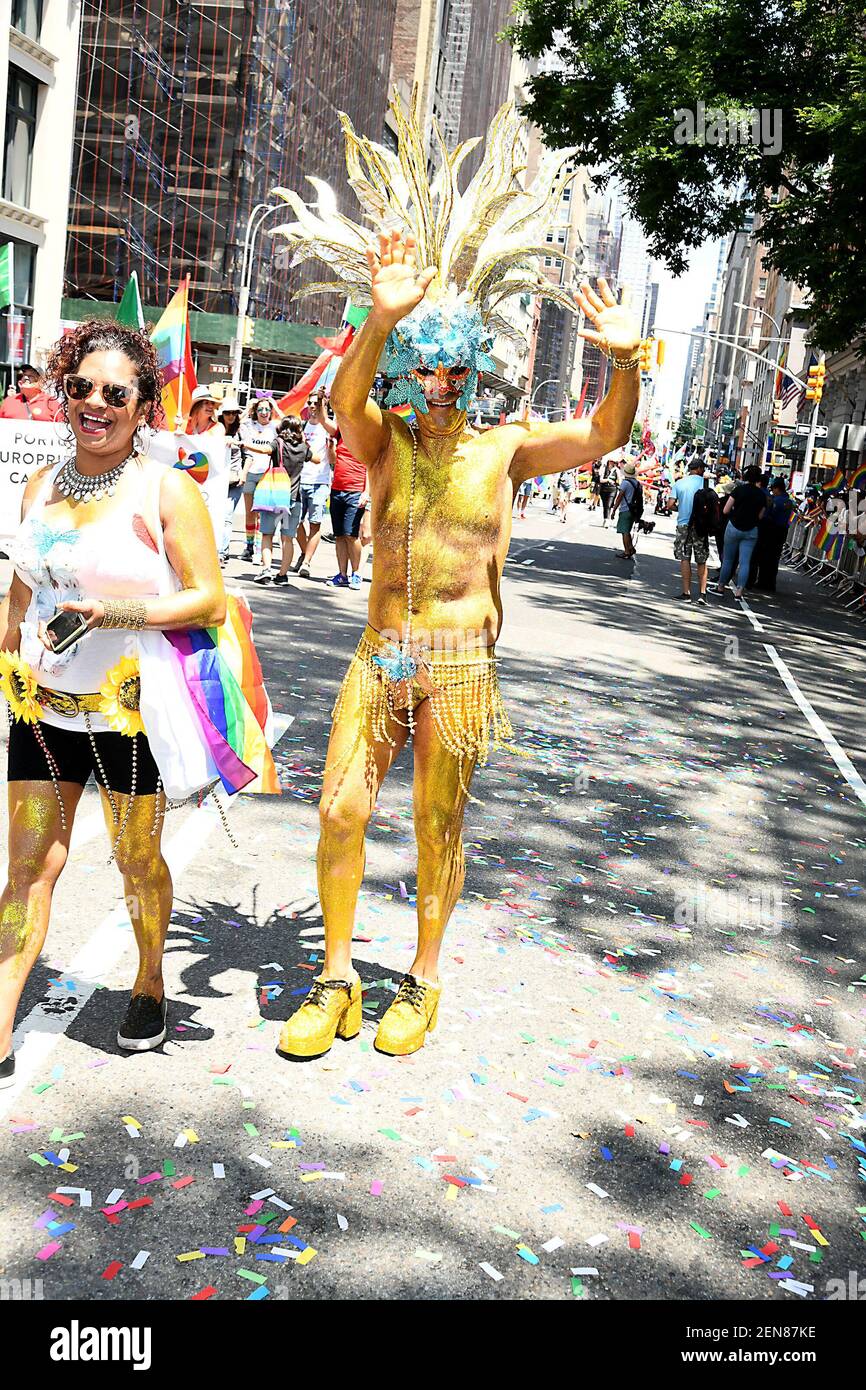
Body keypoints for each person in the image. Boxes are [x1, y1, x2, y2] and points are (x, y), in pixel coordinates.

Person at [271, 95, 640, 1059]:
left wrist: (627, 363)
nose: (434, 388)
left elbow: (604, 434)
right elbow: (342, 398)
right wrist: (379, 320)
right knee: (339, 808)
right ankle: (336, 977)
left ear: (474, 375)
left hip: (461, 664)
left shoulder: (506, 448)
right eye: (419, 372)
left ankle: (423, 981)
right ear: (404, 375)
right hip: (382, 651)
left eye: (451, 374)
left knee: (439, 824)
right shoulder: (382, 441)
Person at [0, 319, 229, 1077]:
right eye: (79, 388)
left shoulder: (165, 489)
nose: (93, 404)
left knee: (136, 860)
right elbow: (21, 592)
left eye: (114, 393)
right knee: (28, 869)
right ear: (63, 392)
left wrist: (115, 614)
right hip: (45, 711)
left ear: (143, 406)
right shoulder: (42, 484)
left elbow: (210, 601)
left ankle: (150, 979)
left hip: (130, 715)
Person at [252, 416, 310, 585]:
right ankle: (282, 575)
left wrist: (243, 444)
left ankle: (266, 569)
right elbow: (317, 459)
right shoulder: (304, 447)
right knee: (287, 538)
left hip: (275, 498)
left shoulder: (278, 443)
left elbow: (264, 451)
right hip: (293, 499)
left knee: (267, 535)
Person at [239, 397, 283, 562]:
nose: (264, 413)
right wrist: (247, 408)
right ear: (255, 412)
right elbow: (237, 423)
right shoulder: (249, 425)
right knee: (249, 512)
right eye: (260, 410)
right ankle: (249, 546)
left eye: (267, 409)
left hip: (267, 474)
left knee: (260, 514)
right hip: (250, 472)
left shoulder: (274, 427)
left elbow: (288, 424)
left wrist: (277, 407)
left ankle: (258, 550)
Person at [297, 393, 335, 577]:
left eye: (317, 403)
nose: (313, 406)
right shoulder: (301, 426)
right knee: (295, 522)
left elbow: (333, 459)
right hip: (299, 479)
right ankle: (304, 551)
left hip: (319, 482)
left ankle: (306, 562)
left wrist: (330, 449)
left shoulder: (328, 427)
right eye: (310, 402)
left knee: (315, 523)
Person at [716, 464, 767, 598]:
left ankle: (721, 586)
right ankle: (739, 590)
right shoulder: (761, 495)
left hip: (733, 527)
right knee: (745, 561)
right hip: (751, 530)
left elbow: (725, 510)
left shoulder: (738, 490)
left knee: (728, 560)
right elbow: (760, 516)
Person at [329, 427, 368, 590]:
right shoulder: (341, 435)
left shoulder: (365, 439)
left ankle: (356, 573)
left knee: (352, 536)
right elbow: (332, 461)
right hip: (337, 489)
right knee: (339, 536)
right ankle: (342, 574)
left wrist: (366, 492)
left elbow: (370, 469)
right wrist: (331, 447)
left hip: (355, 491)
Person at [672, 454, 712, 604]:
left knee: (685, 557)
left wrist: (681, 508)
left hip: (683, 524)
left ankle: (686, 593)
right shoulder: (707, 484)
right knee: (702, 560)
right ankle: (702, 594)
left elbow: (670, 505)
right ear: (700, 469)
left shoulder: (679, 483)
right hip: (700, 525)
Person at [218, 394, 244, 566]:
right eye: (228, 413)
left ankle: (221, 552)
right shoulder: (213, 429)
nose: (231, 416)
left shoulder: (241, 432)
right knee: (214, 515)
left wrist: (244, 474)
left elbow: (248, 455)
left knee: (227, 516)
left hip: (234, 481)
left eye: (234, 413)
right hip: (214, 479)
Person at [754, 478, 794, 591]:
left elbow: (767, 515)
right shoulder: (789, 502)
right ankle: (771, 583)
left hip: (770, 531)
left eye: (773, 489)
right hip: (782, 532)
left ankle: (763, 582)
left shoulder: (775, 501)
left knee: (765, 558)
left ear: (777, 488)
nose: (772, 491)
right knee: (774, 558)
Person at [610, 461, 640, 559]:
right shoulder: (638, 484)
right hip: (634, 510)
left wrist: (614, 509)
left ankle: (627, 551)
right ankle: (630, 548)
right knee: (628, 530)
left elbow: (619, 497)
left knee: (625, 531)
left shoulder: (625, 483)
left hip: (625, 509)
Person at [598, 458, 617, 525]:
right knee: (605, 505)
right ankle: (605, 518)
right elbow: (601, 480)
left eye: (613, 462)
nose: (612, 463)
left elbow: (619, 481)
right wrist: (608, 480)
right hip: (604, 489)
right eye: (611, 461)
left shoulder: (616, 470)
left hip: (612, 489)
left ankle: (607, 520)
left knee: (609, 505)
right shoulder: (604, 468)